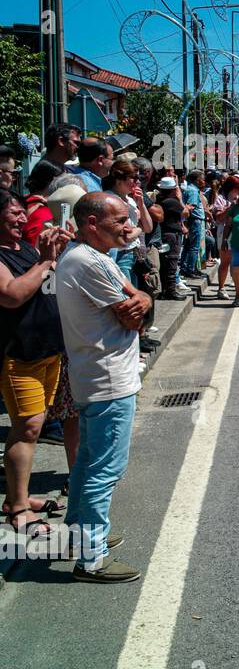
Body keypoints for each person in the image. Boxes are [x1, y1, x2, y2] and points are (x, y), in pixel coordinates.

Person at [56, 191, 152, 583]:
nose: (128, 227)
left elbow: (138, 299)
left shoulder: (93, 257)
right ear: (92, 223)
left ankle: (77, 535)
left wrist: (142, 297)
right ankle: (91, 557)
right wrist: (142, 300)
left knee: (86, 463)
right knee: (104, 469)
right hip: (109, 379)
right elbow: (133, 317)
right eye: (119, 221)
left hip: (97, 376)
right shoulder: (87, 262)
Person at [0, 192, 73, 538]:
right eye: (13, 214)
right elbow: (12, 294)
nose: (20, 220)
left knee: (34, 424)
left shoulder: (25, 250)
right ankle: (17, 508)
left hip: (47, 352)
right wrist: (45, 262)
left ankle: (20, 495)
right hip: (20, 356)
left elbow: (50, 284)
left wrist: (56, 256)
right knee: (26, 428)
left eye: (20, 214)